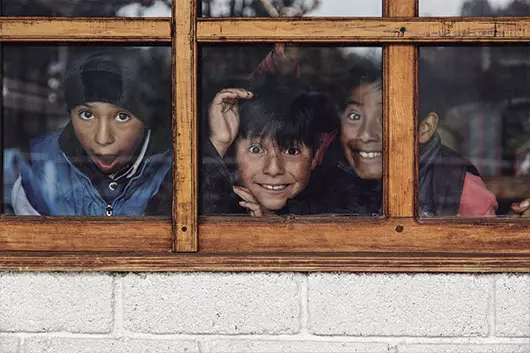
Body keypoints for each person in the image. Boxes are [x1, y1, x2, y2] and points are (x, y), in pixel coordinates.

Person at [11, 49, 172, 216]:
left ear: (146, 120)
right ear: (70, 114)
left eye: (122, 116)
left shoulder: (181, 168)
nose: (102, 139)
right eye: (87, 115)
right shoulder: (37, 166)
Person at [201, 76, 371, 216]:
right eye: (256, 150)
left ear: (316, 155)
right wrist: (219, 142)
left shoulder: (342, 201)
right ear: (234, 154)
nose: (274, 169)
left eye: (291, 151)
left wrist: (276, 230)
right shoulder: (219, 199)